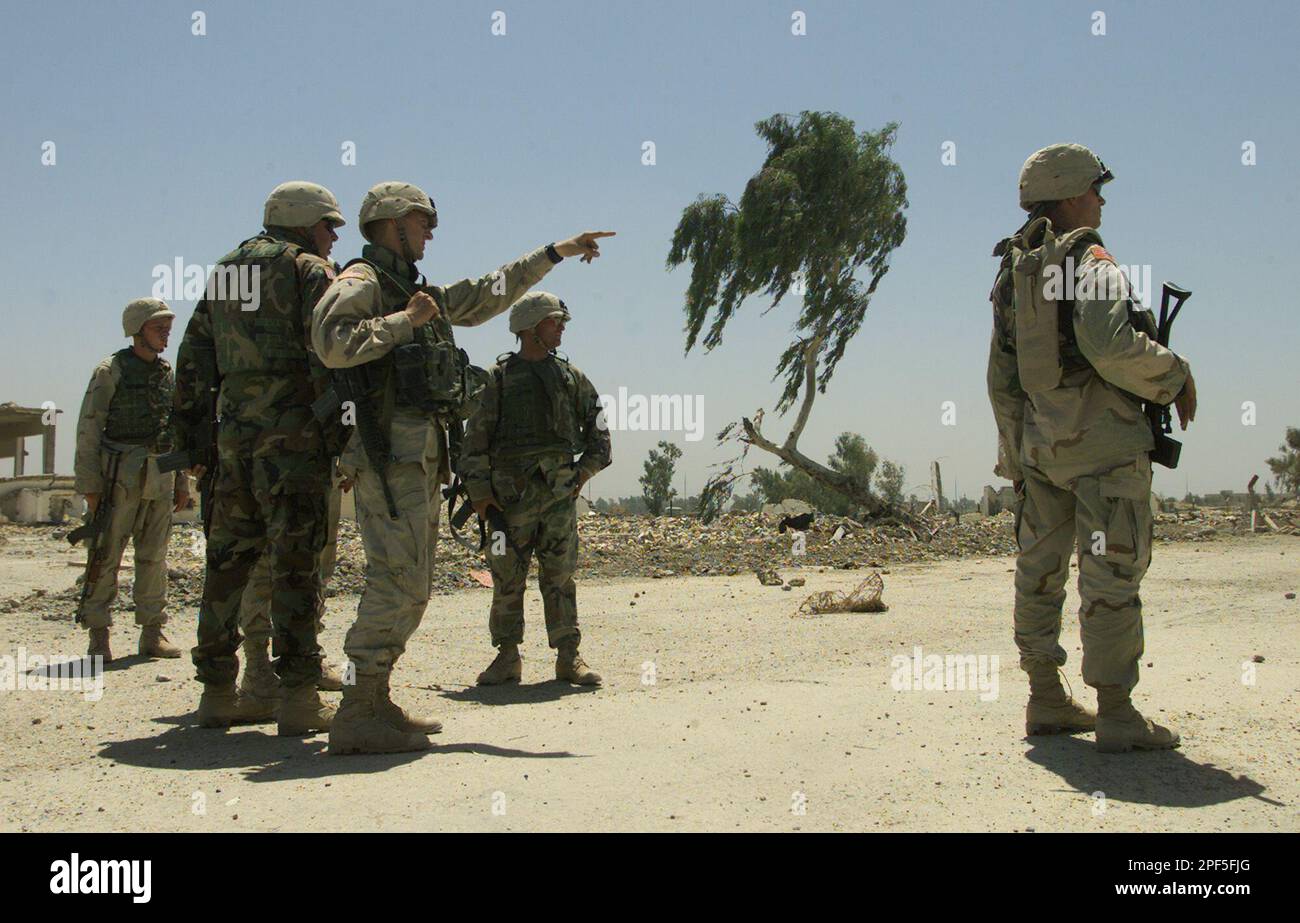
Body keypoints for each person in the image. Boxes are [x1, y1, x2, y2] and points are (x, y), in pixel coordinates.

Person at [310, 179, 613, 754]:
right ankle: (356, 708)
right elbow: (331, 341)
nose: (432, 232)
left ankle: (373, 698)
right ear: (394, 222)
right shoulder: (364, 281)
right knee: (396, 580)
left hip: (419, 457)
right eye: (424, 221)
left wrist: (557, 252)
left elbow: (489, 292)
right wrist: (407, 322)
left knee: (414, 585)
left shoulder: (411, 288)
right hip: (387, 452)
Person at [987, 143, 1197, 752]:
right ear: (1071, 192)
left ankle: (1046, 699)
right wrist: (1175, 373)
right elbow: (1108, 347)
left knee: (1039, 571)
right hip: (1104, 451)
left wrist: (1016, 459)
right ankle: (1117, 713)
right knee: (1111, 575)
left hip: (1041, 451)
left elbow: (1001, 379)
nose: (1102, 198)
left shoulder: (1013, 272)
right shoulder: (1091, 260)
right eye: (1096, 188)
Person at [178, 181, 347, 735]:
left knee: (227, 565)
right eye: (329, 226)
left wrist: (195, 445)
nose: (332, 237)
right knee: (295, 564)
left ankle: (218, 695)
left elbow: (193, 358)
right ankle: (297, 699)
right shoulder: (308, 271)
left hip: (233, 444)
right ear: (303, 223)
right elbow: (332, 354)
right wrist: (343, 433)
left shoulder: (226, 269)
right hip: (294, 442)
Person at [461, 293, 612, 687]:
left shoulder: (571, 378)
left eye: (562, 321)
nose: (561, 327)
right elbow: (473, 442)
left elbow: (600, 437)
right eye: (554, 321)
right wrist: (481, 498)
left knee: (560, 577)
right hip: (507, 504)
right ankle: (507, 657)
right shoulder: (496, 379)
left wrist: (581, 475)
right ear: (529, 328)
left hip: (559, 502)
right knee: (507, 579)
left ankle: (568, 657)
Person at [73, 298, 189, 661]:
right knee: (106, 553)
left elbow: (175, 428)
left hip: (160, 472)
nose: (166, 335)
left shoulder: (167, 372)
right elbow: (89, 429)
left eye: (168, 328)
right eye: (159, 328)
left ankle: (152, 632)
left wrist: (181, 478)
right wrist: (90, 486)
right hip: (119, 475)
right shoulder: (111, 371)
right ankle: (98, 636)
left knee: (154, 556)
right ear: (137, 330)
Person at [235, 460, 350, 705]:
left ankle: (306, 660)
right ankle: (257, 669)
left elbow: (345, 421)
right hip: (265, 462)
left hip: (320, 465)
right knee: (260, 569)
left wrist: (350, 457)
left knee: (317, 565)